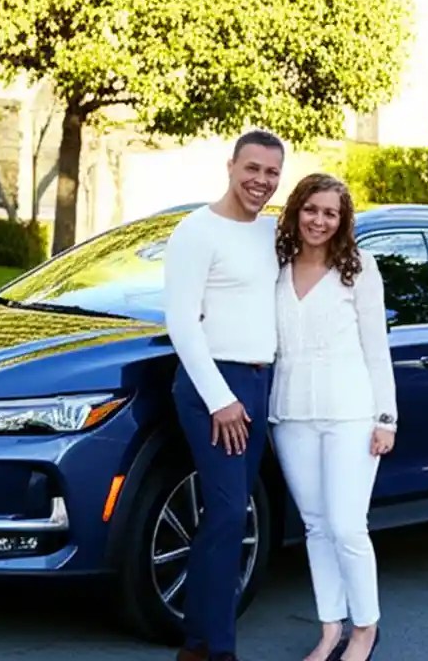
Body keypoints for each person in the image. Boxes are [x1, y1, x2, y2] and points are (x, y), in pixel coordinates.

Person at [163, 129, 286, 661]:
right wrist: (219, 399)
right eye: (253, 168)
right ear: (231, 165)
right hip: (217, 387)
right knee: (229, 511)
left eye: (272, 173)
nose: (261, 181)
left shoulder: (271, 233)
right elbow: (181, 324)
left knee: (231, 515)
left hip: (259, 384)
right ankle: (215, 648)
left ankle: (198, 642)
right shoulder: (196, 231)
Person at [268, 173, 397, 661]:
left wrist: (387, 418)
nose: (319, 220)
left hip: (351, 413)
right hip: (291, 413)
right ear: (296, 211)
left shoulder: (359, 269)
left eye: (330, 213)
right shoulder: (277, 265)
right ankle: (330, 630)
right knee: (316, 526)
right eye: (311, 209)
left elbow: (377, 349)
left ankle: (365, 629)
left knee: (346, 525)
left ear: (342, 221)